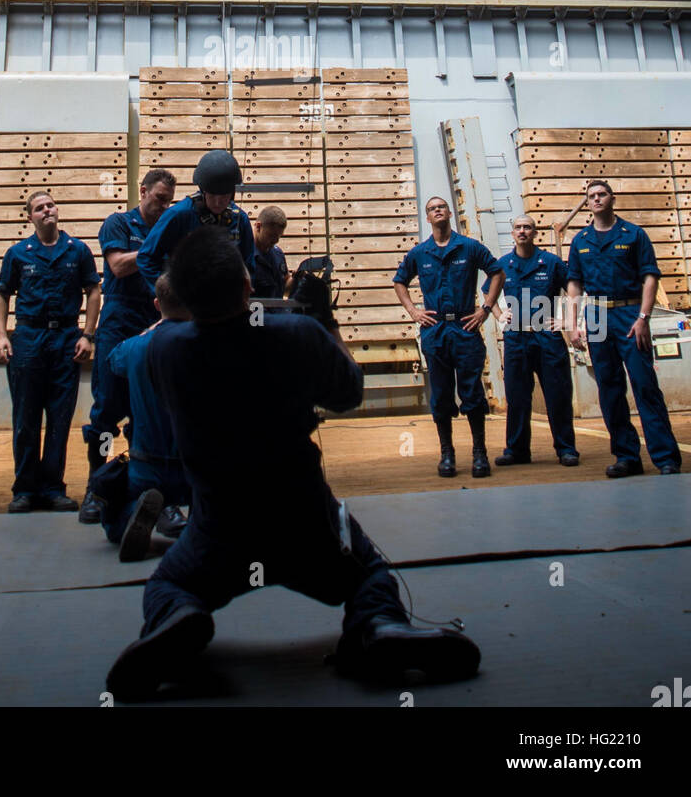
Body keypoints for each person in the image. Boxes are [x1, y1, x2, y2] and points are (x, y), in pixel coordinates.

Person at [105, 228, 481, 702]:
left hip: (219, 531)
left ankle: (179, 617)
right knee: (369, 575)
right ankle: (380, 626)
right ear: (247, 287)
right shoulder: (298, 334)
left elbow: (200, 330)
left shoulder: (162, 350)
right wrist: (325, 321)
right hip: (304, 524)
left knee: (168, 584)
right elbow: (348, 392)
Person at [79, 168, 176, 524]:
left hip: (156, 323)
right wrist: (155, 247)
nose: (162, 207)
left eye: (168, 202)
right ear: (143, 190)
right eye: (158, 199)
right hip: (119, 322)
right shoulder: (118, 223)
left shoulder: (169, 230)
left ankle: (153, 493)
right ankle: (96, 487)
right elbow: (118, 266)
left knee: (149, 411)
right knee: (107, 408)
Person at [566, 179, 682, 477]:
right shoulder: (581, 241)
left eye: (602, 194)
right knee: (609, 388)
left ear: (612, 198)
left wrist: (643, 318)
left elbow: (650, 278)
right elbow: (575, 285)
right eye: (591, 196)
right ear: (587, 202)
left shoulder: (634, 235)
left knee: (645, 385)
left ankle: (665, 457)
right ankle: (626, 456)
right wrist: (572, 324)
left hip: (630, 315)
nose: (596, 199)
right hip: (598, 318)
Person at [0, 191, 101, 512]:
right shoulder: (18, 253)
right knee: (25, 417)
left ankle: (53, 487)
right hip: (28, 337)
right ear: (31, 218)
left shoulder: (77, 250)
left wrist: (88, 335)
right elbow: (2, 295)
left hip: (66, 338)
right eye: (39, 208)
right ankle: (24, 489)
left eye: (51, 205)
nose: (47, 211)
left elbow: (94, 291)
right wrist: (1, 336)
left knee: (59, 417)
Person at [393, 197, 505, 478]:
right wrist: (413, 311)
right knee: (442, 395)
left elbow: (497, 273)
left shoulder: (469, 247)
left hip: (465, 329)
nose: (437, 210)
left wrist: (486, 309)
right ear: (427, 218)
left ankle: (480, 453)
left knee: (472, 392)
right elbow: (399, 281)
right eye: (432, 209)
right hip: (435, 331)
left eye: (441, 206)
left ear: (450, 214)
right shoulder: (420, 253)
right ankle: (447, 454)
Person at [91, 272, 191, 562]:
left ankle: (132, 528)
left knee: (112, 524)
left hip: (146, 466)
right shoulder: (206, 345)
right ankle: (202, 529)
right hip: (192, 467)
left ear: (157, 304)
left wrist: (147, 332)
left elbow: (113, 363)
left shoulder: (134, 348)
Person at [487, 216, 579, 468]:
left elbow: (572, 287)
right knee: (517, 397)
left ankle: (566, 449)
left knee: (558, 394)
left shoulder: (550, 262)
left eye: (527, 227)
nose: (522, 231)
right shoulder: (503, 265)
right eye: (518, 227)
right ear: (512, 233)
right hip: (516, 337)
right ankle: (516, 451)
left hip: (546, 337)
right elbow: (488, 292)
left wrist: (566, 322)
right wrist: (497, 314)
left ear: (535, 232)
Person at [136, 150, 255, 295]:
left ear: (233, 193)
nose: (218, 202)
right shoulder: (178, 215)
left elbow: (249, 266)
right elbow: (146, 258)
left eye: (224, 196)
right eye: (212, 195)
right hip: (185, 304)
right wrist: (169, 296)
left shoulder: (240, 220)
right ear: (203, 191)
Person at [251, 204, 291, 299]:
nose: (276, 240)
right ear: (258, 227)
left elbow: (285, 287)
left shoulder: (278, 254)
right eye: (271, 235)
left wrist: (297, 280)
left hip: (278, 311)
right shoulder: (244, 254)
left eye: (279, 236)